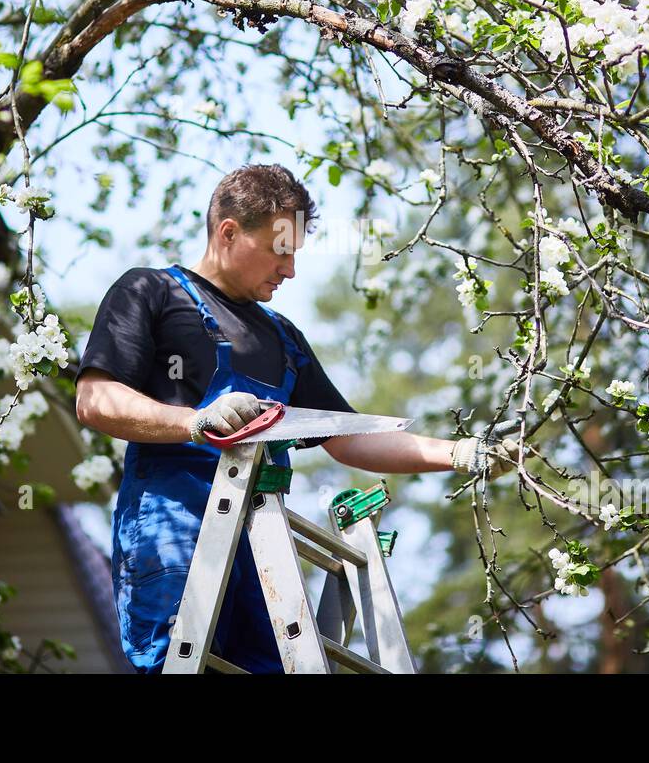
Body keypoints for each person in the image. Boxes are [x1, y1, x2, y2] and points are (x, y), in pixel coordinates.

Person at [75, 163, 514, 673]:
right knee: (178, 660)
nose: (290, 271)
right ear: (229, 232)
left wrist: (462, 454)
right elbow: (96, 398)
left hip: (262, 537)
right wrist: (194, 422)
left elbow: (347, 439)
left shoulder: (283, 339)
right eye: (280, 252)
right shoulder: (150, 292)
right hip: (175, 523)